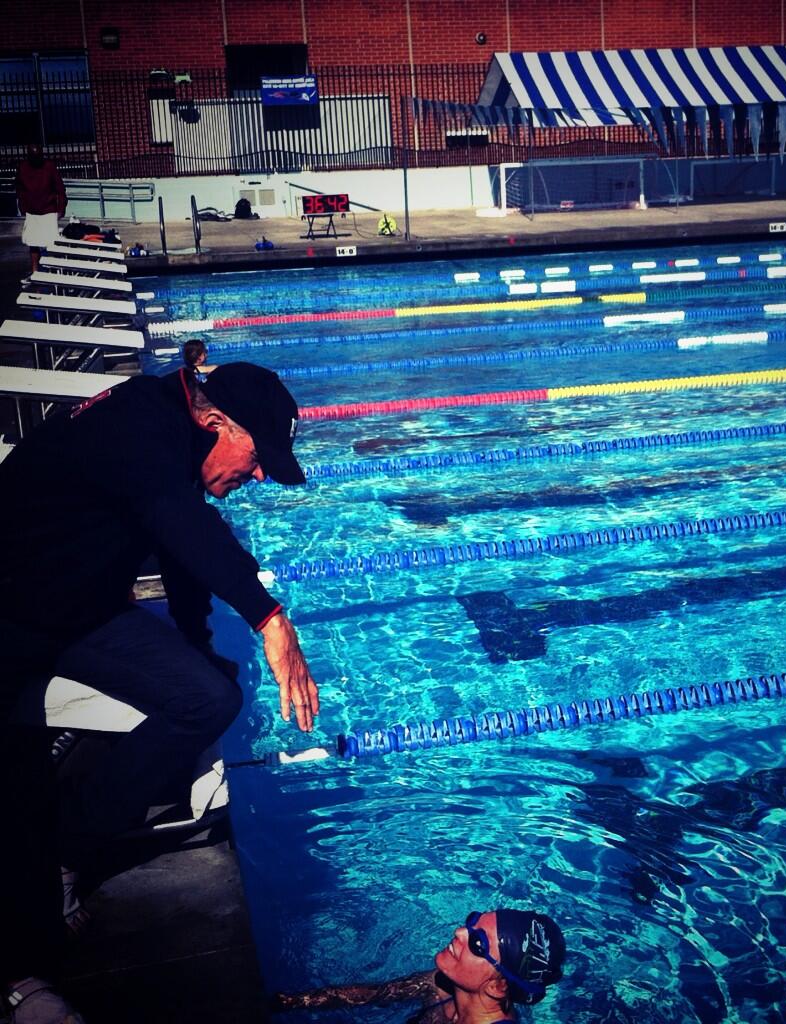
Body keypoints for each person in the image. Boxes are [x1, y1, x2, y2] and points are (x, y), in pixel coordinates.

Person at [0, 362, 319, 1024]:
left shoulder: (172, 440)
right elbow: (178, 520)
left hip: (84, 615)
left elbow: (179, 542)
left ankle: (70, 848)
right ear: (215, 423)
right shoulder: (137, 423)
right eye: (259, 458)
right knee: (14, 787)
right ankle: (14, 974)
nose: (258, 477)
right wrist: (270, 619)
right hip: (10, 611)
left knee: (208, 697)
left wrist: (196, 643)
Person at [274, 908, 566, 1023]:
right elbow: (373, 994)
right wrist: (292, 1002)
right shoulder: (443, 985)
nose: (459, 933)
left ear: (497, 985)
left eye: (478, 943)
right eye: (471, 921)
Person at [15, 142, 67, 276]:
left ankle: (54, 271)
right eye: (34, 156)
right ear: (29, 156)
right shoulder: (23, 168)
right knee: (33, 243)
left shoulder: (49, 167)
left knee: (51, 243)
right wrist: (22, 206)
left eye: (39, 155)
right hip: (32, 211)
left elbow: (60, 189)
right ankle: (35, 271)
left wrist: (61, 208)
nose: (37, 158)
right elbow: (20, 189)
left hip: (48, 210)